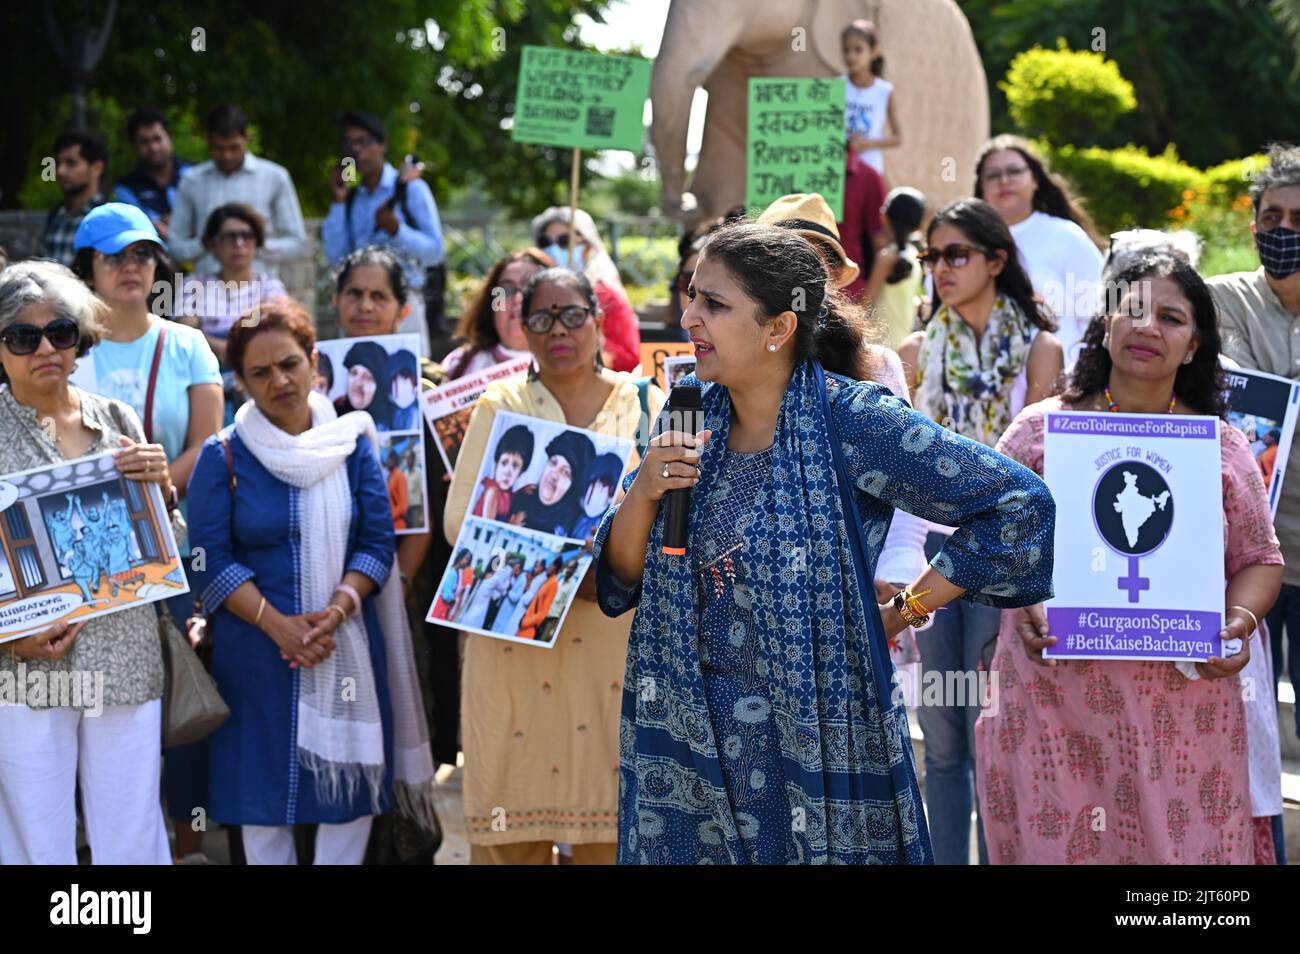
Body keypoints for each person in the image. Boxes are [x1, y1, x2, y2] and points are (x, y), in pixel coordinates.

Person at [593, 222, 1055, 864]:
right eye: (693, 296)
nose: (688, 316)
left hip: (810, 745)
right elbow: (620, 580)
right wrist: (643, 492)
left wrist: (902, 613)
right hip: (685, 743)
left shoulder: (852, 420)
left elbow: (1017, 506)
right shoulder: (690, 410)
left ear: (779, 327)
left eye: (714, 304)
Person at [975, 250, 1284, 864]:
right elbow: (989, 536)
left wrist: (1238, 624)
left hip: (1185, 712)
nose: (1149, 328)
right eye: (1134, 311)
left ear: (1194, 346)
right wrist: (1031, 599)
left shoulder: (1221, 446)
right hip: (1051, 704)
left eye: (1172, 318)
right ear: (1105, 324)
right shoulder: (1039, 432)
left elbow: (1260, 558)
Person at [186, 298, 436, 865]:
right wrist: (279, 627)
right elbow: (207, 559)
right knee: (262, 804)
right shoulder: (222, 456)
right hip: (255, 655)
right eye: (260, 372)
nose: (279, 380)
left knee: (347, 801)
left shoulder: (351, 444)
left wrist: (337, 611)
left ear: (314, 363)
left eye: (289, 364)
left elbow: (376, 544)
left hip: (342, 644)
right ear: (241, 383)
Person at [445, 266, 666, 864]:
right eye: (541, 317)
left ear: (599, 321)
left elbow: (676, 520)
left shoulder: (648, 403)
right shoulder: (501, 405)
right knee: (512, 830)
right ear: (522, 327)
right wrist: (570, 567)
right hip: (515, 638)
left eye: (573, 314)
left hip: (614, 644)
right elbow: (459, 520)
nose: (558, 330)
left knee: (612, 833)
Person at [895, 198, 1062, 864]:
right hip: (931, 549)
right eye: (931, 256)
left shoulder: (1041, 348)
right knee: (940, 741)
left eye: (956, 254)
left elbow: (1044, 465)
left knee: (990, 732)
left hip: (1003, 555)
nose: (940, 268)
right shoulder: (913, 351)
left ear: (997, 261)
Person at [0, 261, 179, 864]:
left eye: (62, 331)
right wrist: (10, 641)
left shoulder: (119, 421)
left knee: (132, 834)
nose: (46, 347)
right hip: (22, 671)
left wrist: (165, 494)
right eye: (24, 337)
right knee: (33, 839)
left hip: (125, 658)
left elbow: (166, 548)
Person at [69, 201, 225, 863]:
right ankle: (97, 843)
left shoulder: (186, 343)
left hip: (170, 542)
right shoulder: (63, 348)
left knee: (176, 688)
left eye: (140, 254)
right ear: (89, 269)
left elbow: (208, 443)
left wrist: (154, 483)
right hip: (90, 550)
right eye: (113, 257)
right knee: (96, 698)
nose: (130, 268)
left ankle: (186, 846)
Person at [1211, 142, 1300, 755]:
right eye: (1273, 219)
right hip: (1245, 559)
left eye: (1299, 220)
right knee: (1246, 738)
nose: (1285, 231)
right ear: (1253, 227)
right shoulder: (1218, 300)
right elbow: (1234, 405)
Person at [974, 135, 1105, 366]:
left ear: (1035, 179)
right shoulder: (969, 241)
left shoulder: (1066, 235)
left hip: (1060, 384)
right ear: (981, 188)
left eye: (1014, 171)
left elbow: (1099, 314)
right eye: (993, 175)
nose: (1004, 180)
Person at [323, 112, 444, 359]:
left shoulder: (410, 188)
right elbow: (337, 258)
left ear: (382, 146)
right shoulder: (352, 197)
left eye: (363, 142)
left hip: (402, 303)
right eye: (349, 144)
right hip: (358, 304)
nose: (356, 151)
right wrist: (338, 201)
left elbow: (435, 252)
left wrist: (397, 230)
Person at [180, 203, 288, 423]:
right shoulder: (194, 285)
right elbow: (182, 337)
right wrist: (234, 348)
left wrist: (213, 343)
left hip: (259, 384)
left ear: (256, 242)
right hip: (204, 384)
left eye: (246, 236)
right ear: (212, 244)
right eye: (229, 237)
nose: (239, 244)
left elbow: (279, 339)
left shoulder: (271, 287)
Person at [168, 105, 307, 275]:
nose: (227, 155)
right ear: (208, 140)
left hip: (260, 292)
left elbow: (297, 242)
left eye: (234, 147)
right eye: (219, 148)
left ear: (246, 138)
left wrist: (254, 245)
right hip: (206, 293)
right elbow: (174, 247)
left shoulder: (275, 176)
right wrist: (206, 243)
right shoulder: (191, 181)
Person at [530, 208, 641, 372]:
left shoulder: (605, 294)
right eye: (545, 243)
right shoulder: (530, 295)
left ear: (587, 245)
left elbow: (630, 358)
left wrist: (589, 337)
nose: (553, 249)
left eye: (564, 240)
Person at [442, 249, 552, 379]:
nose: (518, 298)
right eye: (505, 290)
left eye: (530, 288)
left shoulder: (570, 365)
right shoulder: (458, 363)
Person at [114, 108, 194, 240]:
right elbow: (140, 232)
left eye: (157, 139)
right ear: (134, 146)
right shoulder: (127, 188)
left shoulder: (194, 173)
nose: (153, 148)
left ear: (170, 138)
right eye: (144, 142)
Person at [505, 429, 596, 537]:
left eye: (566, 472)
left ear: (574, 486)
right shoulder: (520, 499)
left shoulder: (575, 527)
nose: (554, 475)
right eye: (553, 462)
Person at [842, 19, 901, 176]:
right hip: (840, 169)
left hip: (871, 169)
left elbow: (898, 137)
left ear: (874, 52)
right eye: (846, 50)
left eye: (858, 50)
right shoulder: (836, 86)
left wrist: (867, 144)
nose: (851, 56)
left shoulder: (884, 91)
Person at [43, 130, 108, 267]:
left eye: (71, 163)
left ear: (96, 168)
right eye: (58, 163)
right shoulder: (56, 214)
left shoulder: (106, 218)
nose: (60, 171)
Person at [471, 423, 534, 521]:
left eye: (515, 466)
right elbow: (487, 528)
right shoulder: (493, 491)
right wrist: (512, 524)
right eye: (504, 463)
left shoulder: (507, 494)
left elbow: (508, 499)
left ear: (521, 472)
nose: (507, 472)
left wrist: (521, 491)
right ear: (496, 464)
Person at [334, 340, 393, 427]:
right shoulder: (333, 411)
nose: (358, 383)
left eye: (368, 377)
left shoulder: (392, 419)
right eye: (354, 373)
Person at [516, 557, 561, 641]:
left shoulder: (553, 583)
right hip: (525, 623)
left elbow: (542, 613)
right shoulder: (549, 581)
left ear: (555, 567)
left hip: (529, 628)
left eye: (550, 565)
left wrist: (524, 623)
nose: (547, 567)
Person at [386, 452, 409, 530]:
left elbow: (403, 506)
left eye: (390, 458)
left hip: (399, 524)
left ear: (395, 461)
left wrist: (388, 517)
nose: (387, 461)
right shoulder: (391, 477)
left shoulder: (399, 476)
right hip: (392, 524)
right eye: (388, 458)